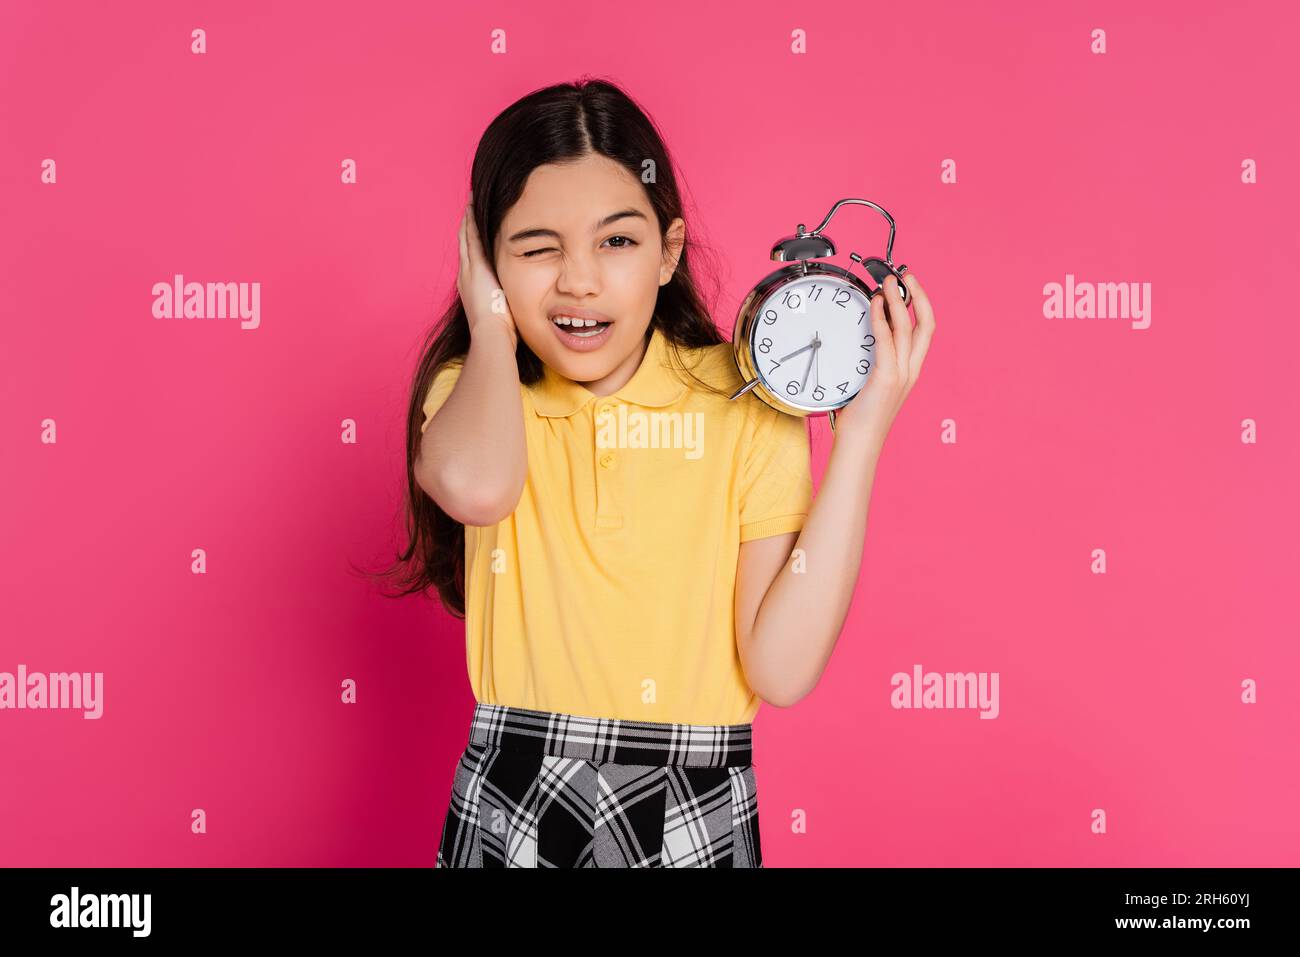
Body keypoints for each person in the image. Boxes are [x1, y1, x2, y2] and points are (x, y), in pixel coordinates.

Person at [388, 77, 936, 867]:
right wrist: (488, 321)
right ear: (486, 259)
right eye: (537, 248)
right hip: (517, 792)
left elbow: (780, 669)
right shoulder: (476, 391)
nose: (578, 280)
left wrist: (861, 440)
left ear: (668, 250)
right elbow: (478, 486)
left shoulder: (747, 401)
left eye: (616, 241)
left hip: (697, 798)